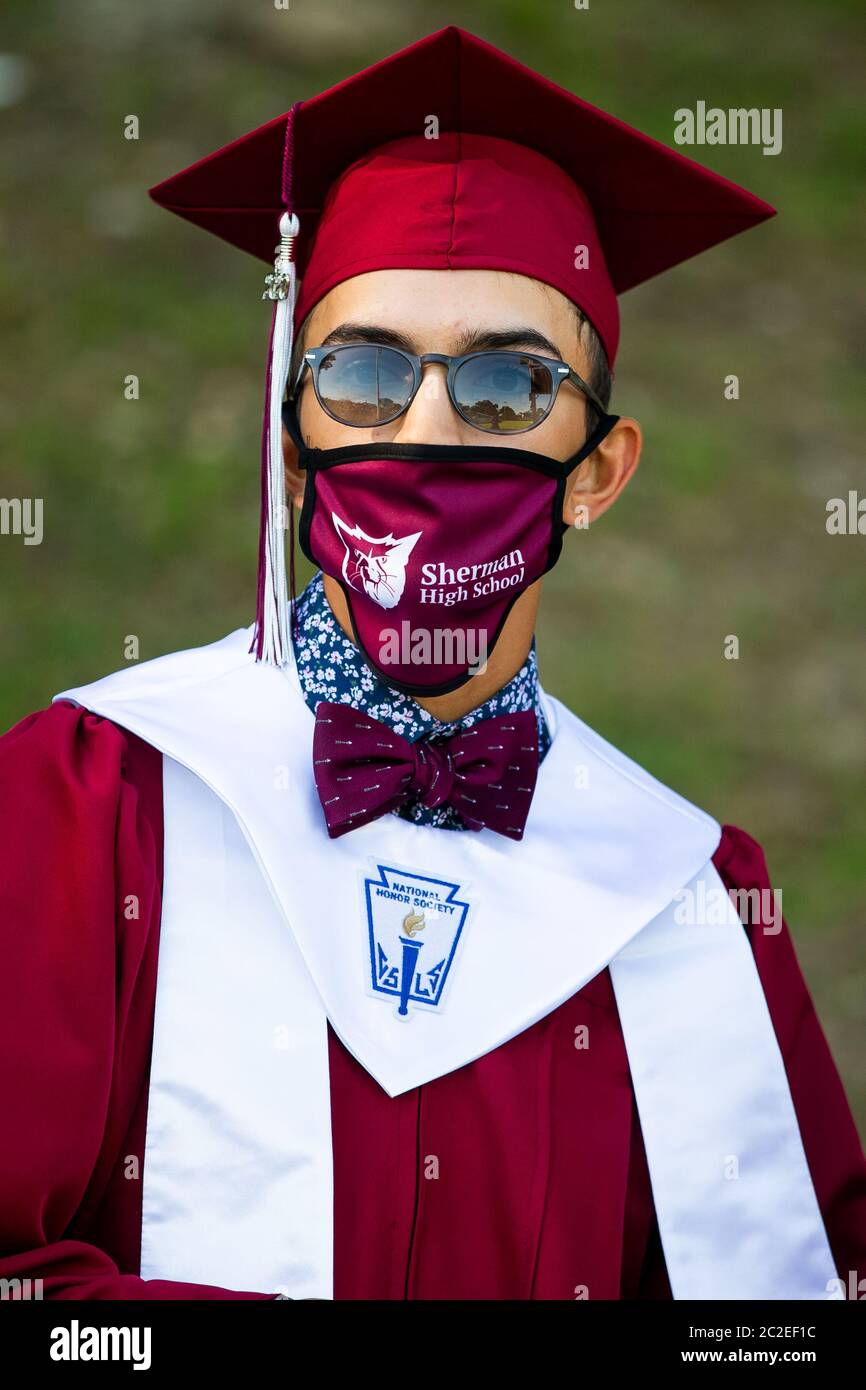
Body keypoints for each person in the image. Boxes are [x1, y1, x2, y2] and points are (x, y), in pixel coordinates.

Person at [2, 25, 865, 1302]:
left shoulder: (684, 896)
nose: (424, 428)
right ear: (293, 447)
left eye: (509, 388)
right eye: (359, 374)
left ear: (597, 473)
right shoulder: (92, 799)